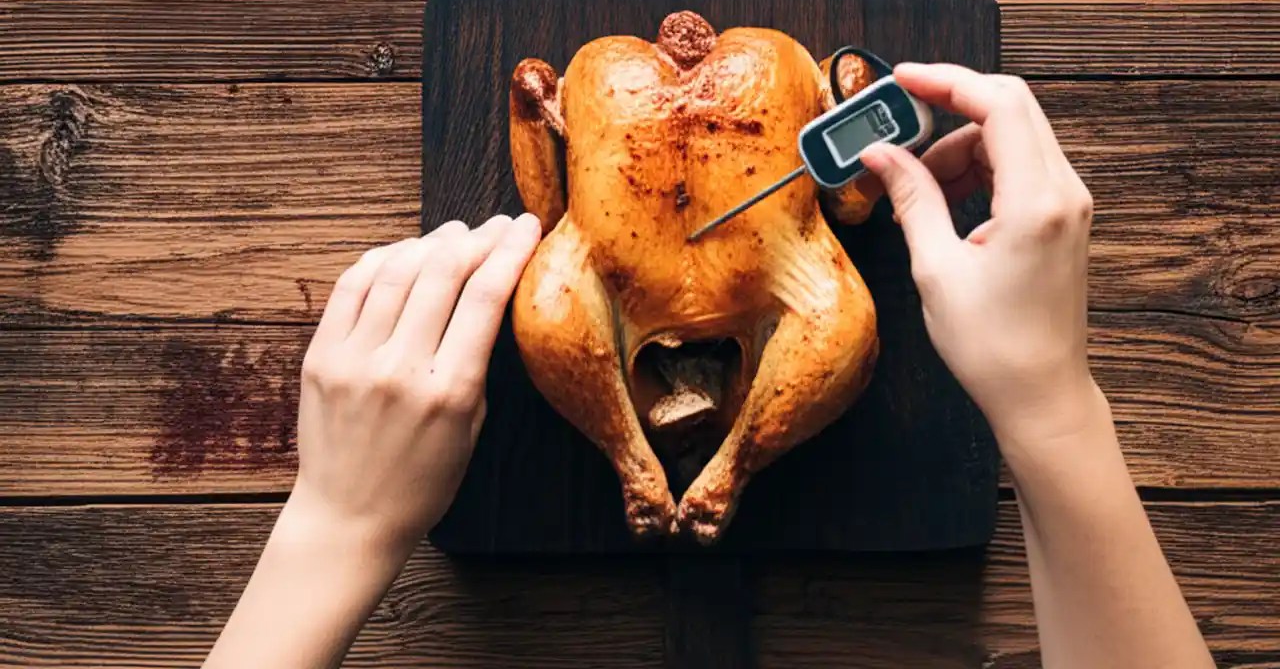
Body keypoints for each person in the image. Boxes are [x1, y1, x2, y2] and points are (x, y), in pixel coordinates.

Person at [202, 63, 1214, 669]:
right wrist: (1049, 409)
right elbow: (552, 209)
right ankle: (647, 462)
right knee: (555, 303)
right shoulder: (609, 74)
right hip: (617, 261)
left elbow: (847, 201)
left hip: (772, 260)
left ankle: (712, 465)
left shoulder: (772, 74)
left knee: (823, 318)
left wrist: (338, 524)